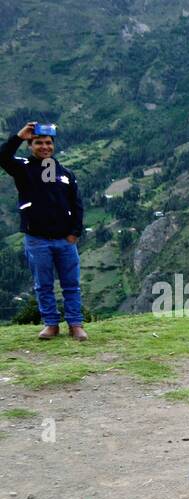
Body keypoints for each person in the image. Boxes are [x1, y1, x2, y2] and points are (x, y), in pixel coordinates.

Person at [0, 122, 86, 340]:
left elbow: (77, 205)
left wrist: (75, 233)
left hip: (65, 240)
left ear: (53, 146)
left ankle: (76, 324)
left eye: (48, 143)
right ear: (31, 146)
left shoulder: (66, 174)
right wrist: (18, 136)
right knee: (43, 285)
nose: (44, 147)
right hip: (37, 240)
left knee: (71, 285)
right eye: (39, 143)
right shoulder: (23, 168)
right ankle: (51, 324)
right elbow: (2, 157)